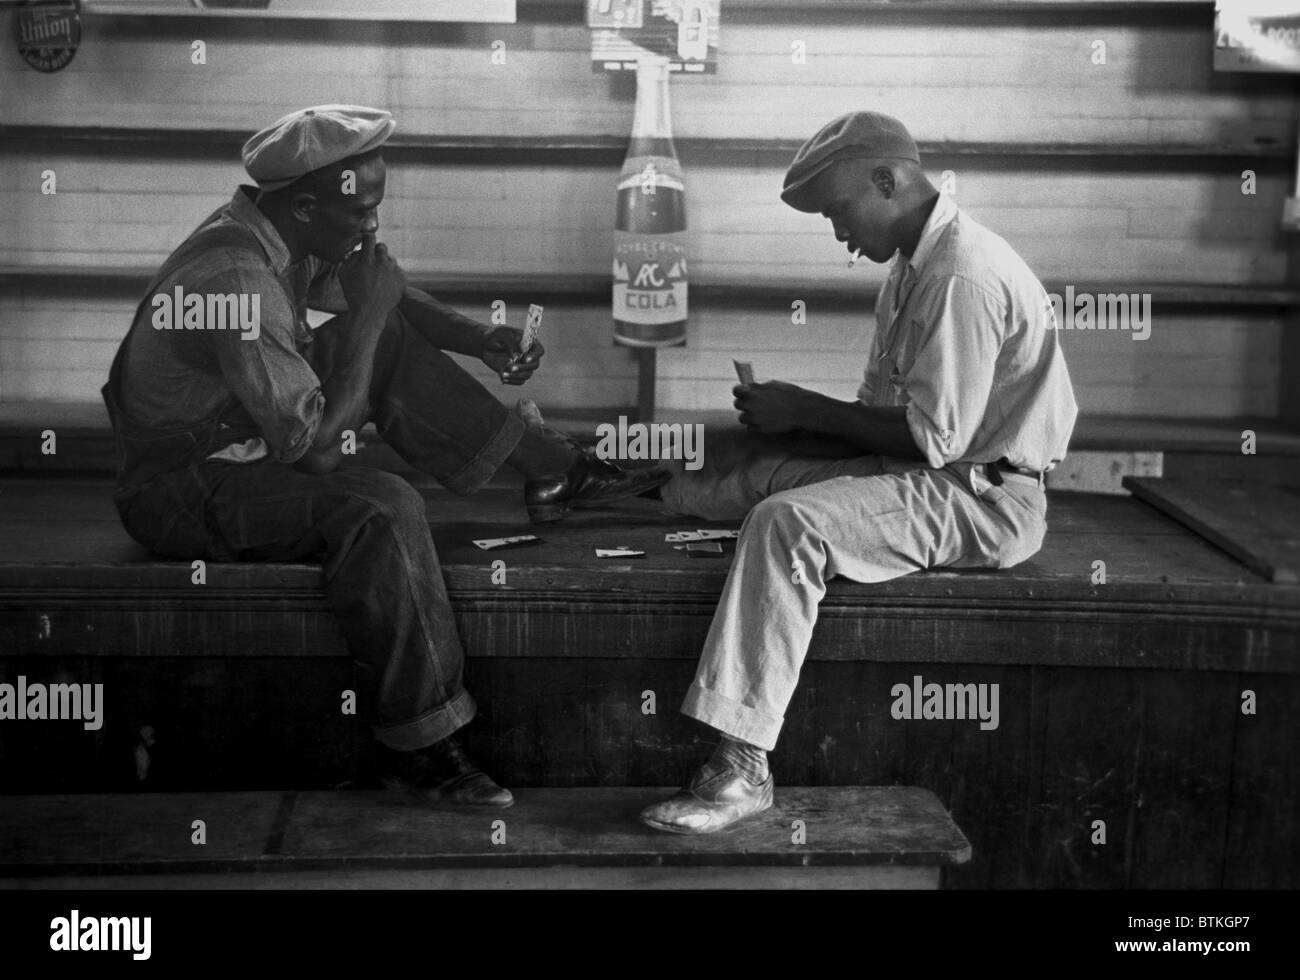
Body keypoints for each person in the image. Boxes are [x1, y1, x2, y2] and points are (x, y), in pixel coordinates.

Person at [101, 104, 666, 810]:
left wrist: (476, 337)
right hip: (182, 485)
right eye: (360, 209)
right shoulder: (236, 281)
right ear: (307, 205)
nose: (372, 224)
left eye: (377, 204)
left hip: (238, 439)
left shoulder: (285, 231)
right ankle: (422, 746)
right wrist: (368, 319)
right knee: (383, 505)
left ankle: (556, 470)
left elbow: (383, 290)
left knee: (386, 340)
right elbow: (318, 455)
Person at [639, 111, 1077, 834]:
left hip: (985, 498)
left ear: (888, 180)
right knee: (755, 467)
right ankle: (598, 479)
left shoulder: (961, 274)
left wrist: (805, 407)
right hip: (942, 470)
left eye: (840, 212)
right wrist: (785, 427)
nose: (839, 234)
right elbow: (879, 423)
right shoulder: (910, 269)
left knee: (785, 525)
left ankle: (742, 766)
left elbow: (932, 441)